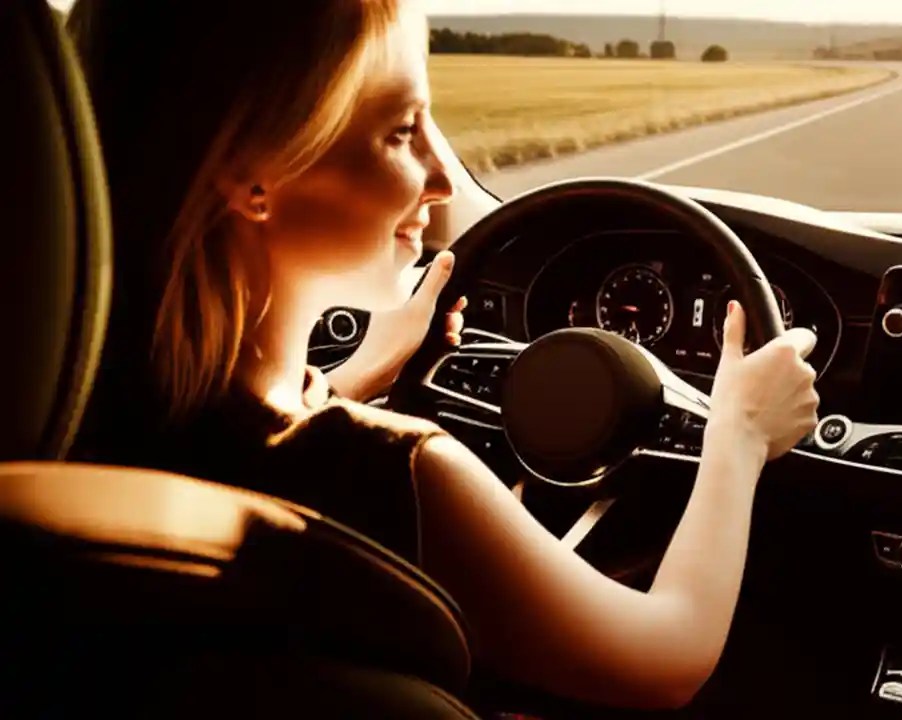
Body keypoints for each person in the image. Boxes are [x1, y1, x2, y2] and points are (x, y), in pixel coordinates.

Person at [68, 0, 820, 710]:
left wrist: (355, 377)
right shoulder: (399, 476)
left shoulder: (78, 421)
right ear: (251, 172)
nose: (439, 176)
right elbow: (668, 656)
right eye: (401, 131)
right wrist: (740, 435)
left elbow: (256, 443)